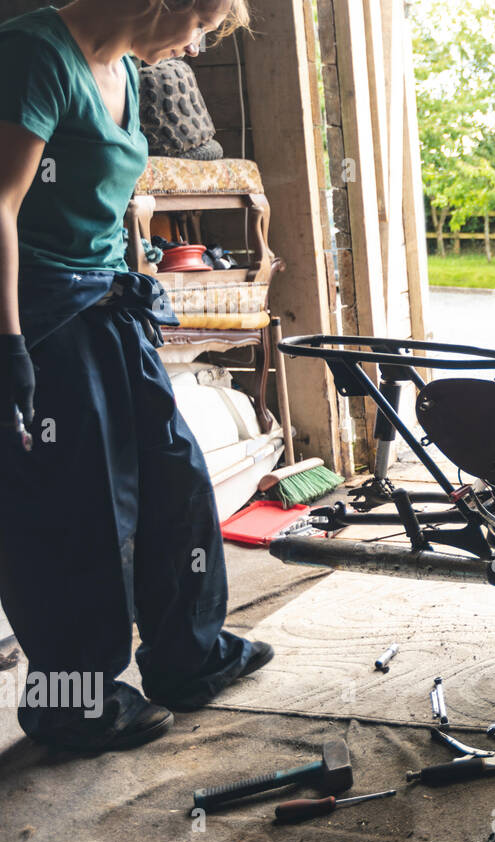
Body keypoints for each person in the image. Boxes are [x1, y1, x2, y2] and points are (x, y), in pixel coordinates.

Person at [0, 0, 271, 752]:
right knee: (73, 514)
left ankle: (188, 657)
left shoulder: (121, 65)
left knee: (174, 481)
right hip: (40, 314)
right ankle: (71, 706)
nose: (197, 43)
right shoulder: (32, 55)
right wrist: (7, 344)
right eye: (199, 24)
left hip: (107, 304)